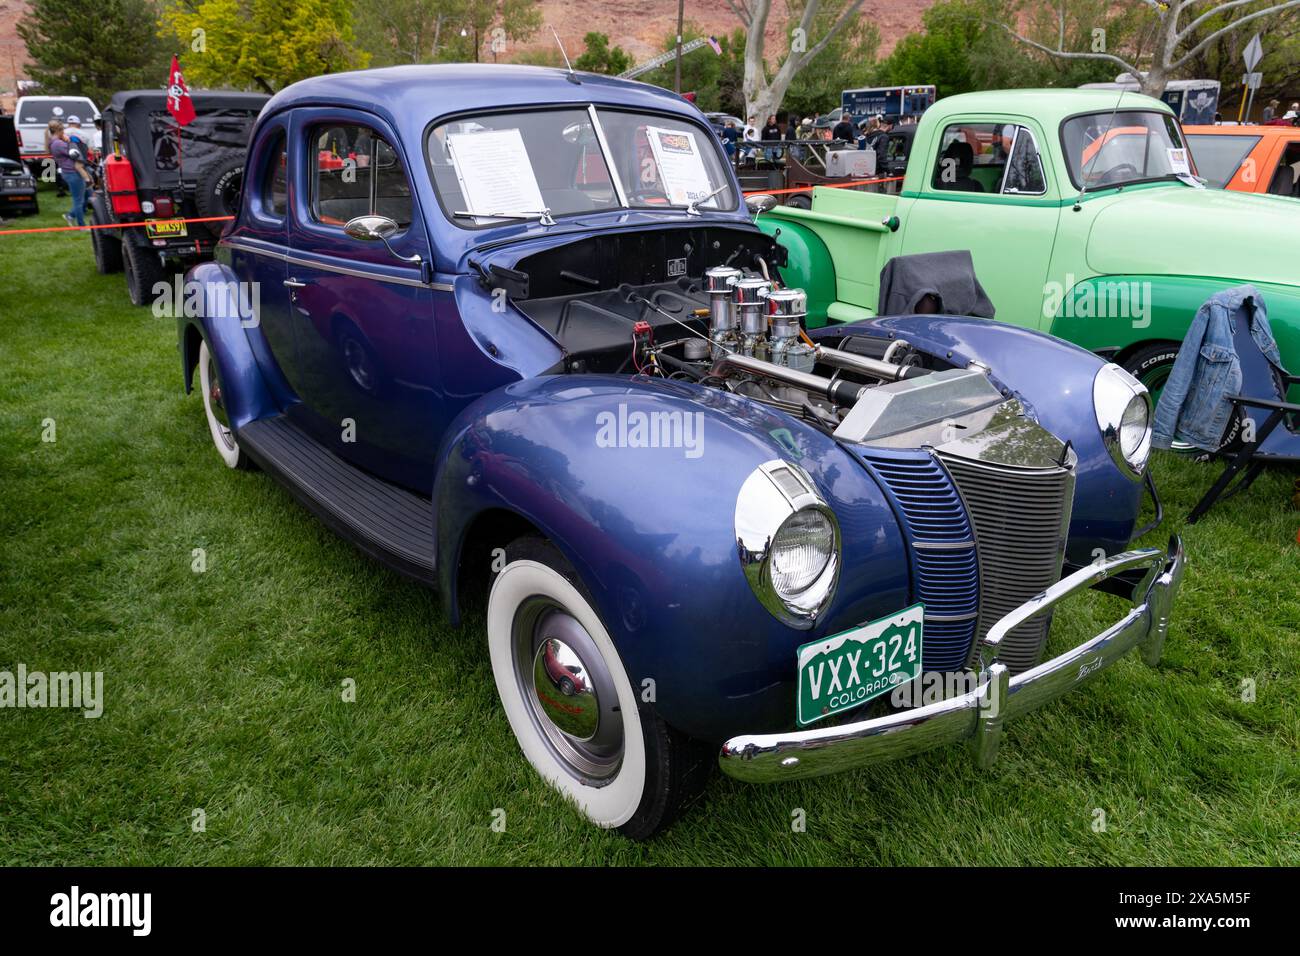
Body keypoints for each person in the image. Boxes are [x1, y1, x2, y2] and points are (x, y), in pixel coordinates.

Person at [48, 122, 87, 227]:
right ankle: (81, 225)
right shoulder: (59, 144)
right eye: (62, 131)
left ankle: (70, 216)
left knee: (80, 199)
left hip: (69, 172)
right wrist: (70, 142)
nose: (64, 133)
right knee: (79, 201)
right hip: (72, 172)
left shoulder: (54, 142)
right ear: (58, 131)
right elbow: (75, 153)